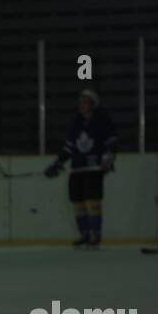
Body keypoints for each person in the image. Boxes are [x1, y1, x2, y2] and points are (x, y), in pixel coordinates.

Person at [44, 89, 119, 249]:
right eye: (80, 101)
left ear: (93, 104)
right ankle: (84, 234)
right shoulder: (75, 123)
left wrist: (110, 156)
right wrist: (58, 163)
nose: (81, 104)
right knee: (77, 203)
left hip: (93, 168)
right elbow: (69, 148)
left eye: (85, 101)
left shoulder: (102, 121)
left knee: (93, 202)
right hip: (77, 168)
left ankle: (95, 235)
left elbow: (111, 142)